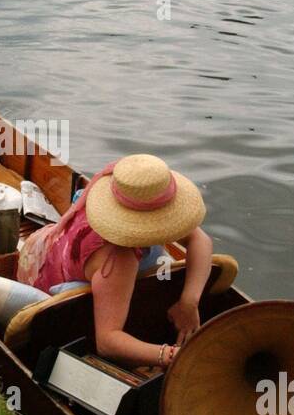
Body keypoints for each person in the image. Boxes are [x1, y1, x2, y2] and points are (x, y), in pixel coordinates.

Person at [17, 154, 213, 368]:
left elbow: (199, 239)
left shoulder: (100, 198)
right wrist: (171, 355)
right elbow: (108, 341)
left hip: (44, 248)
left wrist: (189, 301)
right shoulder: (119, 259)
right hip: (49, 281)